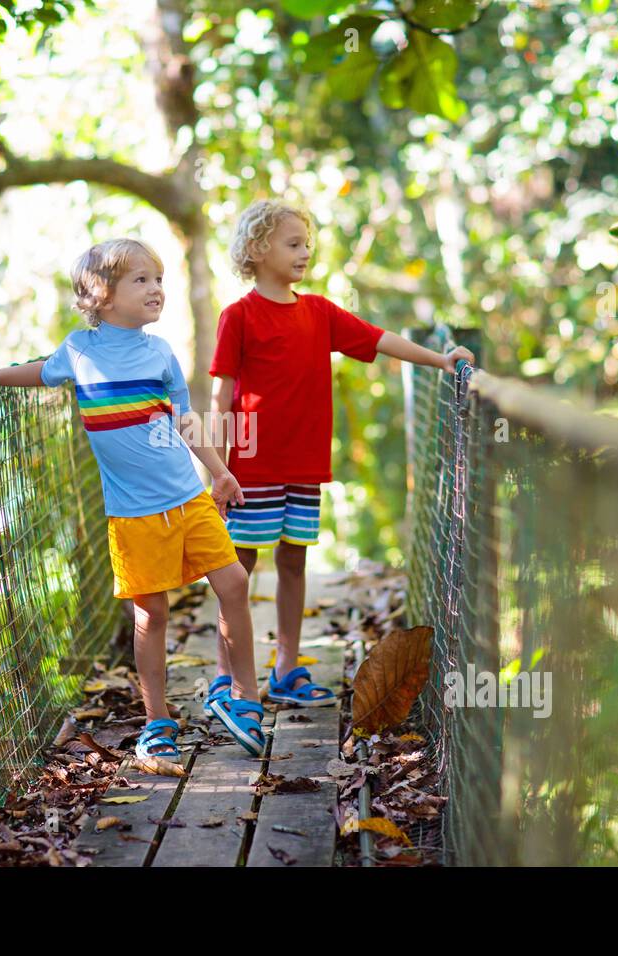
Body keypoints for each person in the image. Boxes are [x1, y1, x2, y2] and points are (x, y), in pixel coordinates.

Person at [0, 238, 265, 764]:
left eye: (159, 279)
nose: (157, 289)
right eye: (141, 280)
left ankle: (244, 699)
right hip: (135, 514)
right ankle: (157, 721)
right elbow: (39, 370)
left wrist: (220, 472)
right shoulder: (79, 351)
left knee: (234, 582)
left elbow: (186, 420)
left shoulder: (160, 353)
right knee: (152, 616)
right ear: (101, 294)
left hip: (188, 498)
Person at [204, 200, 474, 714]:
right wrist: (219, 468)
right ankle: (226, 675)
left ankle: (285, 668)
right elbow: (222, 396)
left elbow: (378, 339)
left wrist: (441, 360)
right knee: (237, 567)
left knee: (294, 559)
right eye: (293, 244)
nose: (305, 253)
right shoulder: (237, 316)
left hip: (303, 467)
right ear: (259, 250)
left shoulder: (320, 312)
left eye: (307, 243)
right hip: (250, 466)